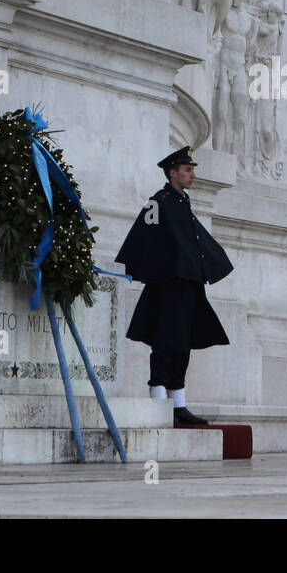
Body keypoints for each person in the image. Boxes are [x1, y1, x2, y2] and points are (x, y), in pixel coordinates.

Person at [116, 146, 232, 425]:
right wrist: (155, 268)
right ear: (173, 173)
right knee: (165, 341)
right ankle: (158, 402)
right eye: (187, 169)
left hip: (188, 282)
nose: (192, 175)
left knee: (182, 342)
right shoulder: (159, 201)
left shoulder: (183, 202)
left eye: (192, 169)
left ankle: (178, 405)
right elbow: (143, 236)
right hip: (167, 283)